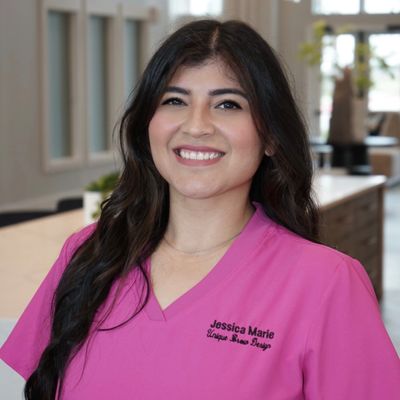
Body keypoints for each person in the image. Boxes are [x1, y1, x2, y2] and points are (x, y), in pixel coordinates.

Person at [1, 19, 399, 400]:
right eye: (174, 100)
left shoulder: (326, 283)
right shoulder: (89, 255)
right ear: (146, 126)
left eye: (227, 104)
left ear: (271, 137)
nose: (196, 126)